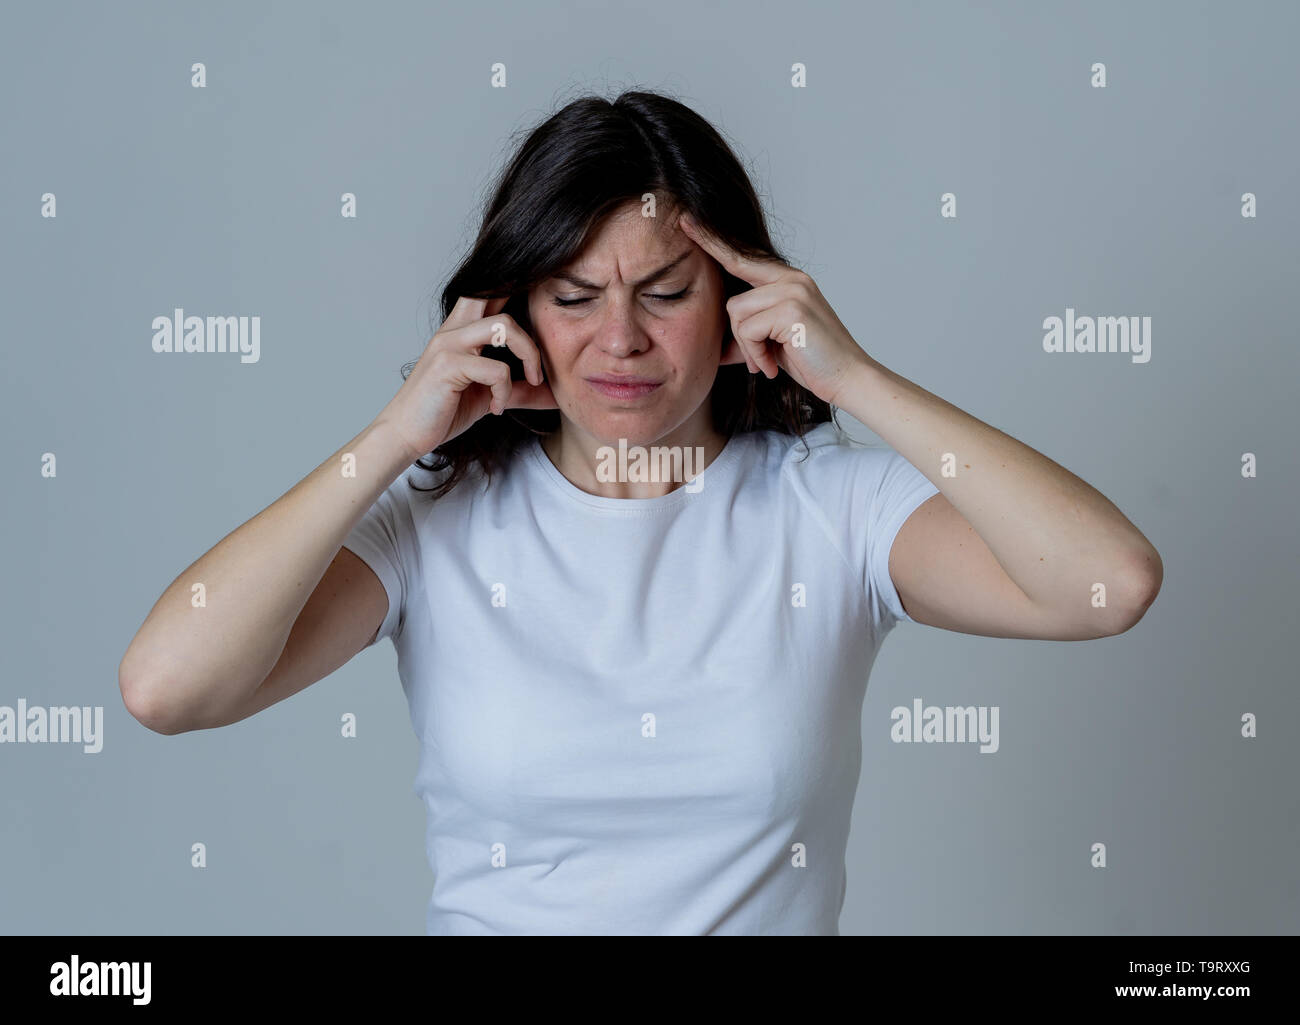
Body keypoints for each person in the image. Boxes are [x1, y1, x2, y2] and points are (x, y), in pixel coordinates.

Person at [119, 90, 1163, 935]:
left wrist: (855, 378)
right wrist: (394, 437)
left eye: (663, 292)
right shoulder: (433, 524)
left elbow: (1106, 583)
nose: (617, 337)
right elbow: (168, 687)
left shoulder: (833, 513)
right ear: (513, 312)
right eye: (573, 295)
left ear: (735, 308)